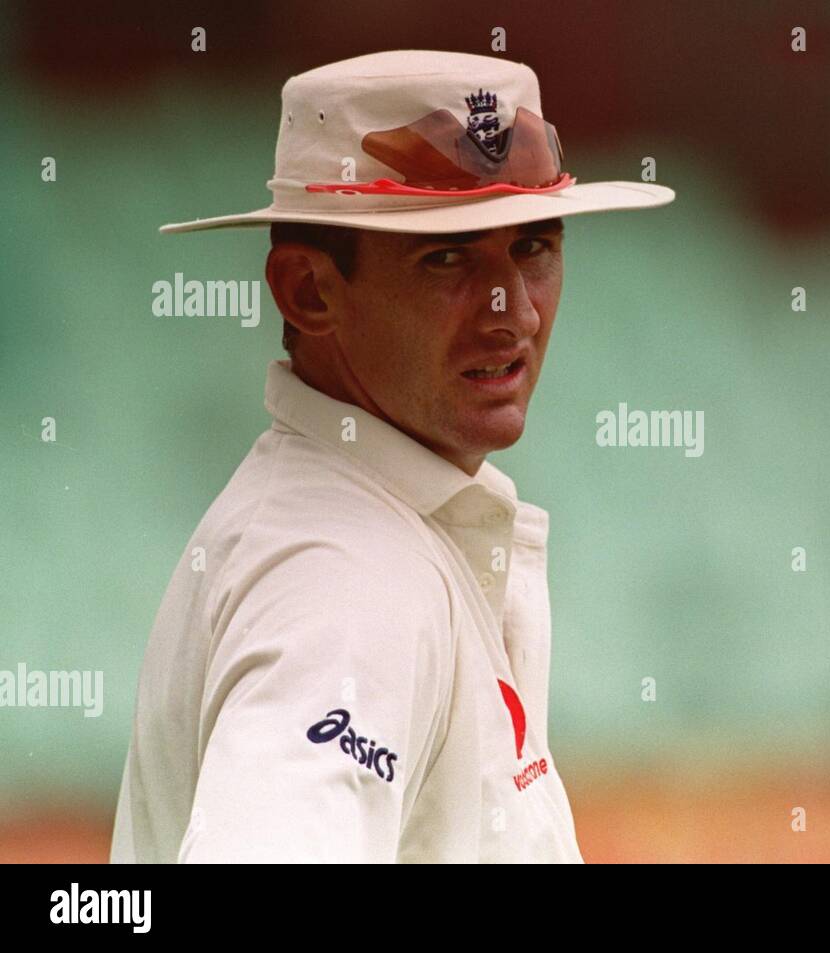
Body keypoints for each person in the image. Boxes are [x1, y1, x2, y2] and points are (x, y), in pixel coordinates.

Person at [109, 49, 674, 862]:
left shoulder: (364, 538)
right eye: (446, 256)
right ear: (307, 291)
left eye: (533, 247)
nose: (511, 310)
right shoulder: (342, 575)